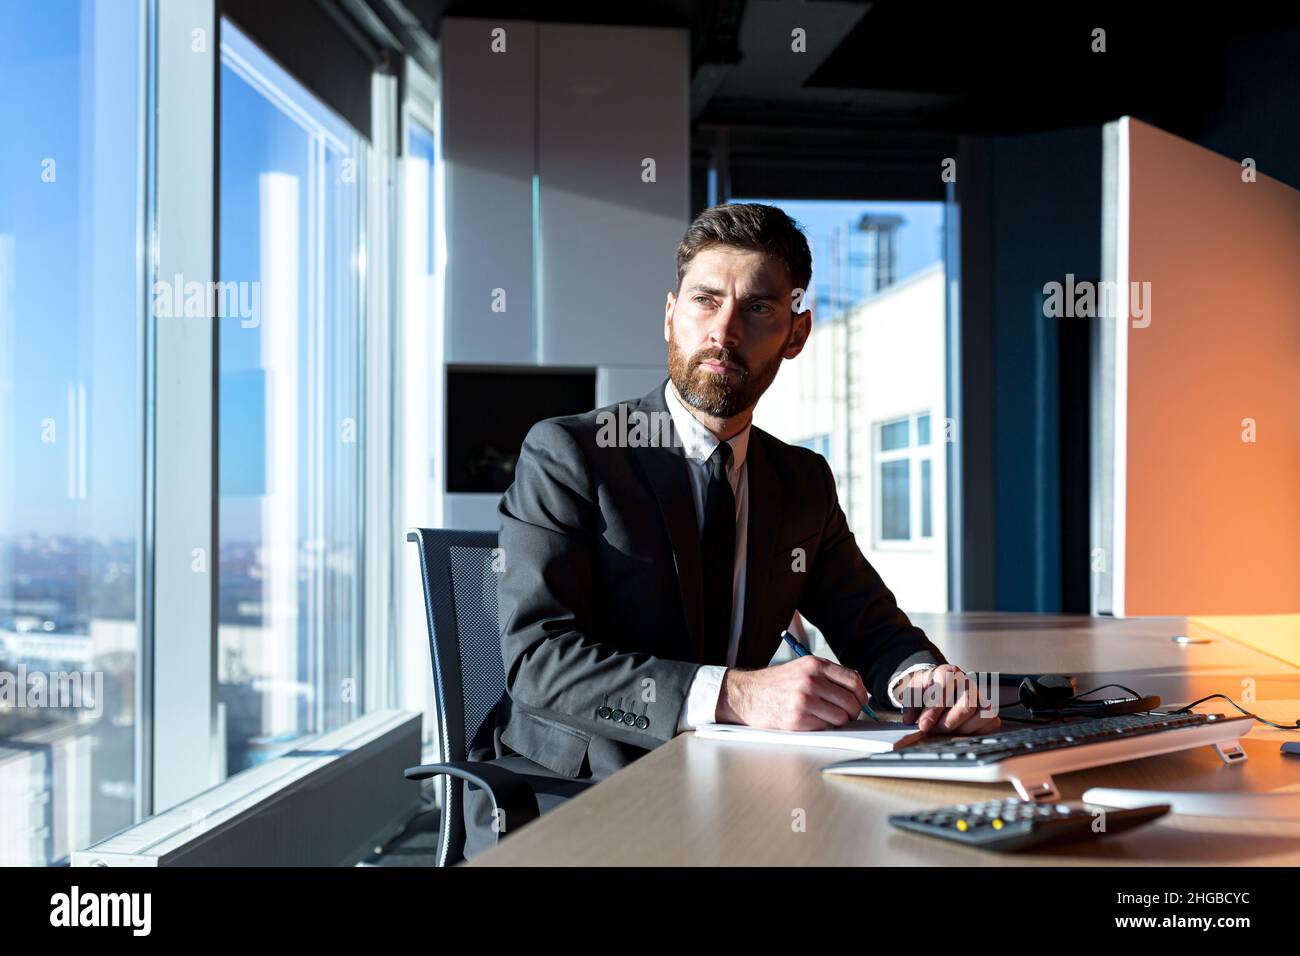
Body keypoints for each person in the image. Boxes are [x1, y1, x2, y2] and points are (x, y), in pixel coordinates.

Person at [462, 202, 998, 859]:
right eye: (705, 301)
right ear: (670, 314)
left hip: (735, 781)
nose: (723, 330)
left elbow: (873, 629)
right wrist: (734, 694)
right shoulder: (571, 454)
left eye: (757, 309)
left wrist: (925, 682)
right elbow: (537, 664)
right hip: (574, 790)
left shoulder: (801, 482)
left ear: (796, 334)